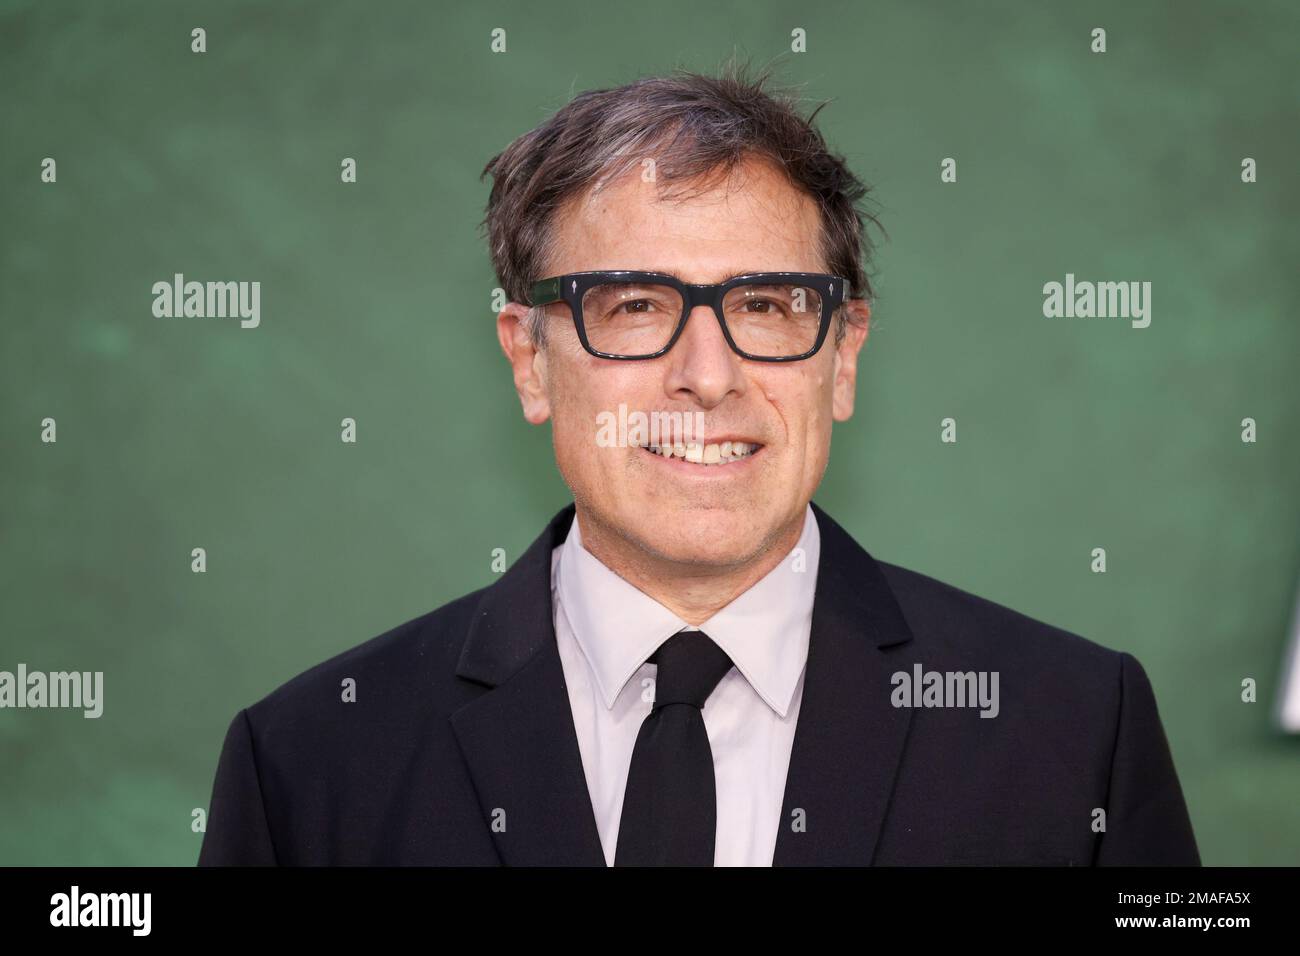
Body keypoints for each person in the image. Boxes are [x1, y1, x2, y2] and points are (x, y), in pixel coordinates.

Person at [198, 63, 1199, 866]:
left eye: (766, 305)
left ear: (842, 356)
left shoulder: (1070, 729)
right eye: (632, 306)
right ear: (528, 359)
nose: (707, 375)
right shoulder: (310, 760)